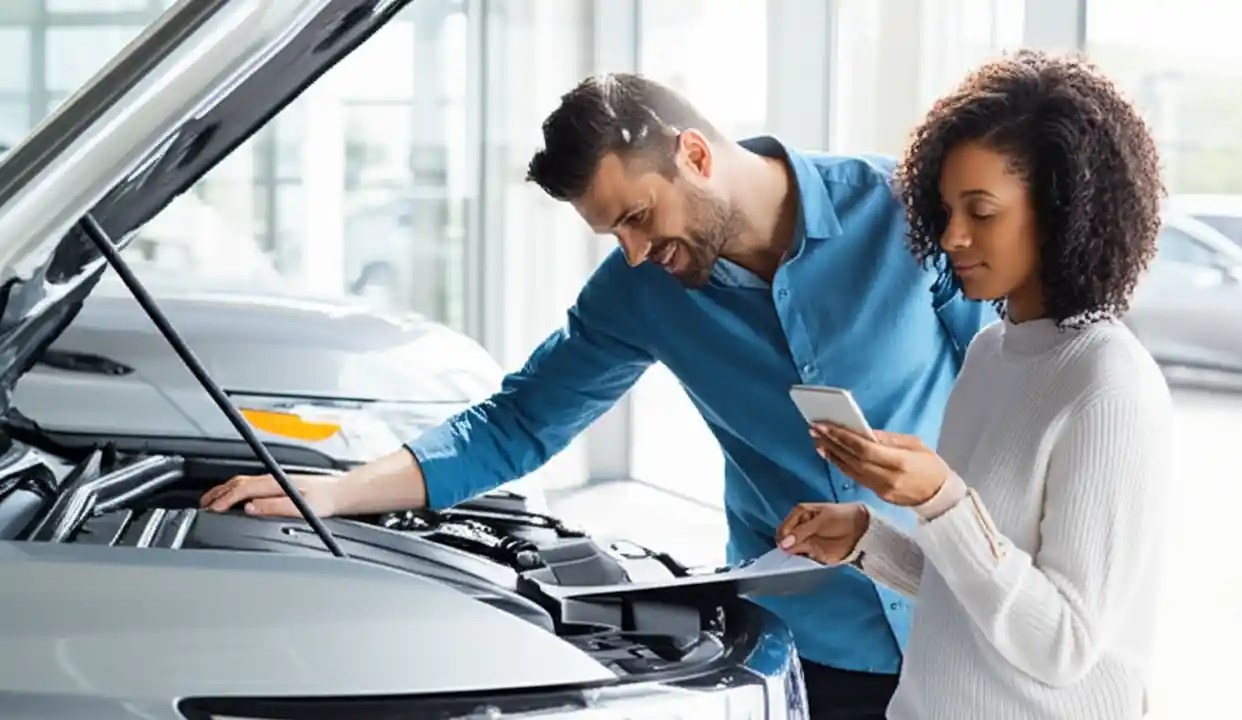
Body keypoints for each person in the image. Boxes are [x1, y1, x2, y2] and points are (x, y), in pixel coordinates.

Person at [199, 73, 996, 718]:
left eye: (640, 217)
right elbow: (517, 422)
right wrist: (333, 493)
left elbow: (1007, 385)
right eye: (614, 233)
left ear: (694, 153)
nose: (637, 251)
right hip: (810, 653)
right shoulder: (640, 292)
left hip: (965, 626)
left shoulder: (902, 214)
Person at [775, 50, 1173, 719]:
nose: (953, 236)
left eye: (981, 211)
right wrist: (870, 539)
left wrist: (940, 499)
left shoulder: (1108, 384)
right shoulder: (992, 351)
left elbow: (1061, 644)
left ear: (1060, 211)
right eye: (947, 208)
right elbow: (981, 592)